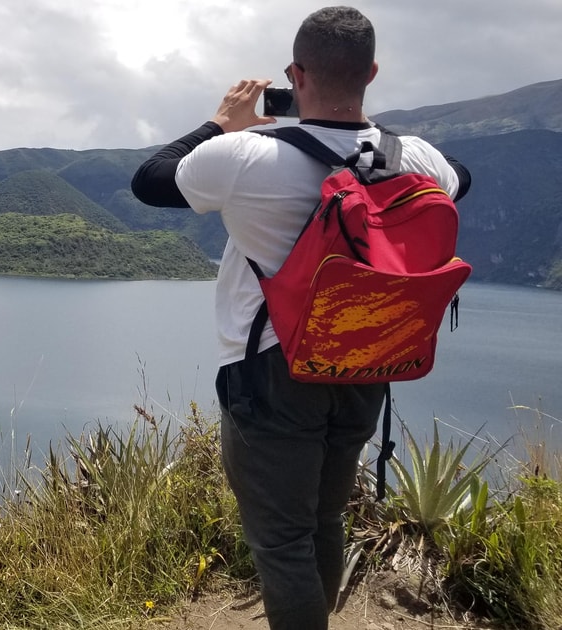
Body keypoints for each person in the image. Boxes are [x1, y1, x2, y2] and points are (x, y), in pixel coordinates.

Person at [130, 6, 470, 630]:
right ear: (371, 73)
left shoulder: (243, 155)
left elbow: (149, 180)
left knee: (281, 540)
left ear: (296, 74)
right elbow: (460, 180)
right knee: (324, 518)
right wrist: (377, 145)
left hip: (272, 369)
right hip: (367, 360)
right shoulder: (418, 158)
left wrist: (219, 122)